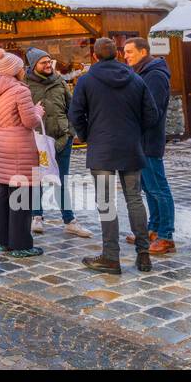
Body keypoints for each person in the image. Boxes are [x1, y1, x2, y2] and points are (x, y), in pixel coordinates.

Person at [69, 37, 159, 274]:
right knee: (135, 199)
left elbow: (75, 113)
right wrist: (135, 132)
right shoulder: (135, 78)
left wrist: (88, 135)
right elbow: (152, 114)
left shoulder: (87, 80)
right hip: (130, 145)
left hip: (102, 148)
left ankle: (111, 256)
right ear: (118, 54)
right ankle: (143, 254)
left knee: (107, 203)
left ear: (95, 56)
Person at [27, 47, 92, 239]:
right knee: (36, 179)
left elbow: (72, 107)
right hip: (38, 140)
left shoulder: (59, 82)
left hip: (62, 138)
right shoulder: (25, 85)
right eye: (43, 62)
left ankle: (69, 220)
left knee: (61, 180)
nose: (48, 65)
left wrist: (70, 130)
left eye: (49, 61)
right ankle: (36, 216)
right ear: (34, 65)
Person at [0, 52, 45, 257]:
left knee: (4, 191)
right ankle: (21, 244)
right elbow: (29, 121)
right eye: (21, 67)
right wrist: (38, 111)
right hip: (19, 145)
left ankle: (4, 240)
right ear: (14, 70)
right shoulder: (20, 90)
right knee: (22, 194)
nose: (24, 70)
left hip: (0, 141)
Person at [122, 38, 176, 253]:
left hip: (149, 140)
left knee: (158, 188)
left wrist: (128, 119)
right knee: (148, 188)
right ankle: (153, 229)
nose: (125, 55)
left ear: (143, 51)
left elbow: (152, 111)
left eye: (129, 51)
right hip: (138, 140)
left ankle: (166, 235)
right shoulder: (141, 72)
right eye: (124, 52)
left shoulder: (155, 75)